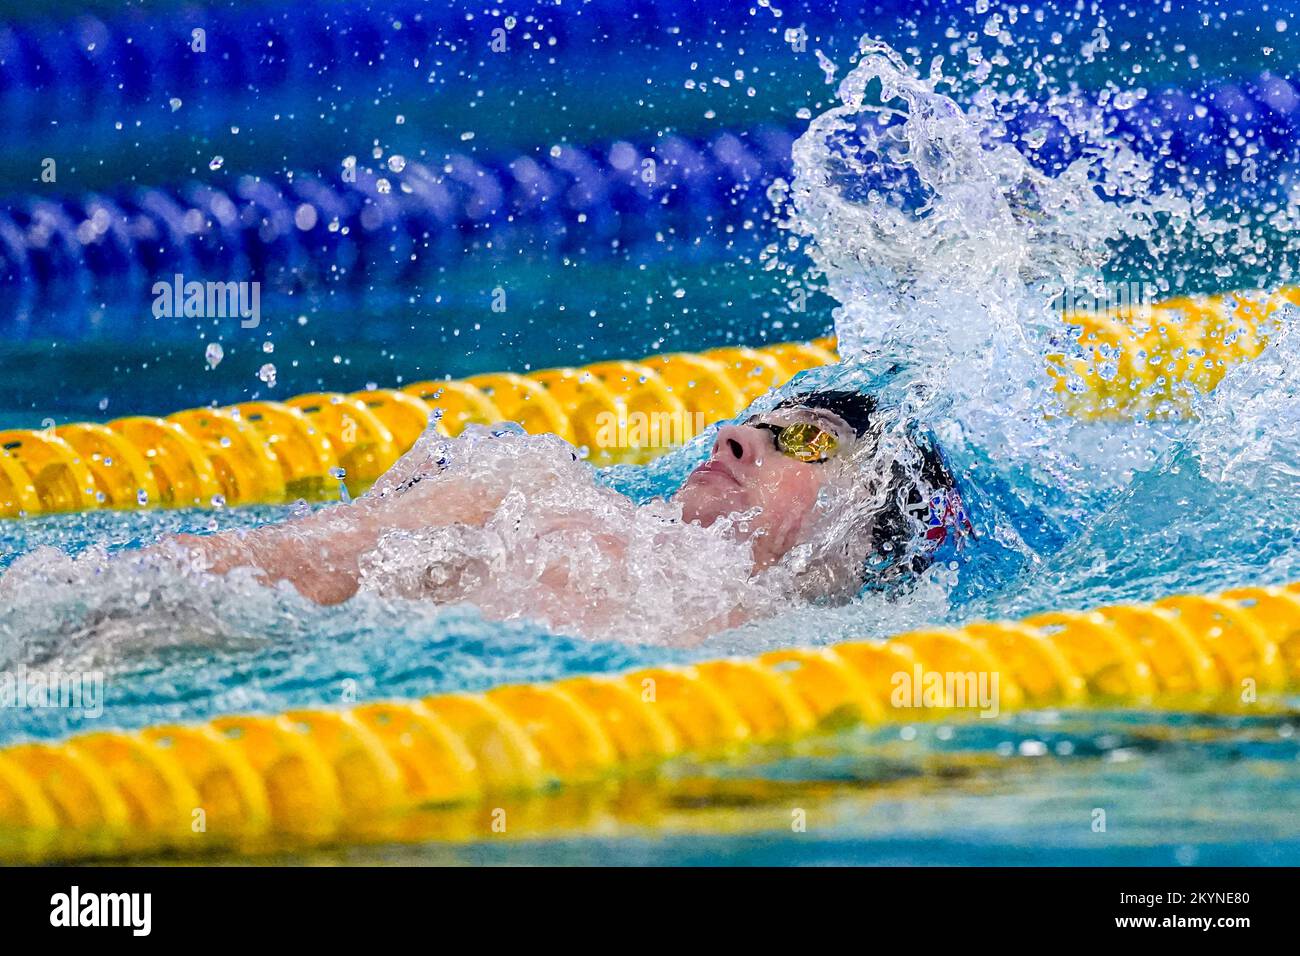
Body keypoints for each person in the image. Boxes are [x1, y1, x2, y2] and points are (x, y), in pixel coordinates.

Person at [164, 387, 972, 644]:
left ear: (866, 527)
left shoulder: (789, 664)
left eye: (804, 438)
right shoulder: (535, 494)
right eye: (754, 419)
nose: (732, 435)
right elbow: (224, 577)